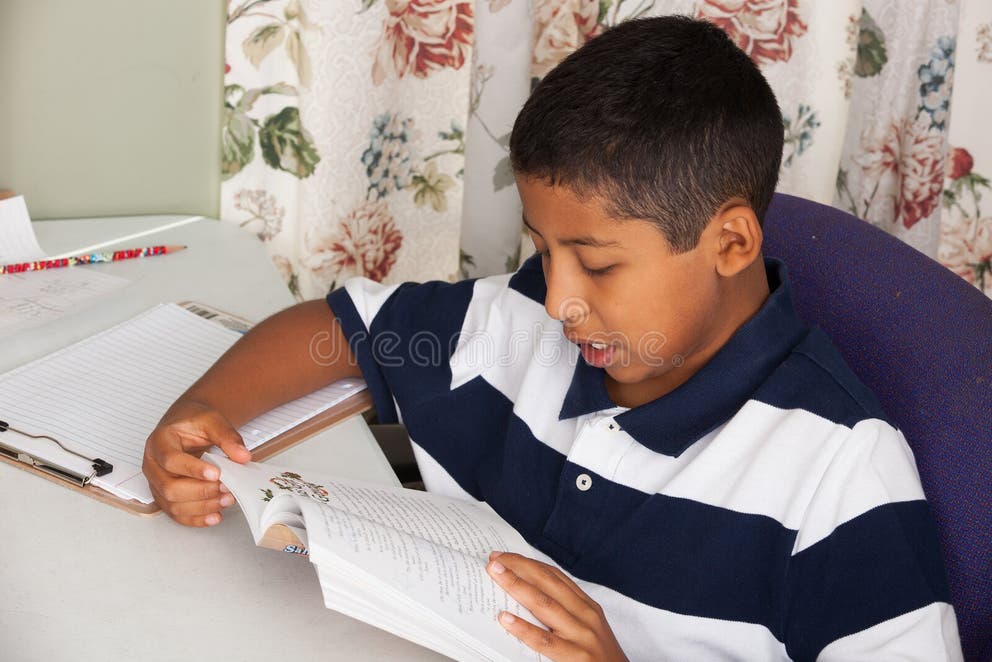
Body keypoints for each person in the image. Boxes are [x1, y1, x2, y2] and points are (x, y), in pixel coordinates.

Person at [143, 16, 961, 662]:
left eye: (598, 265)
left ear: (733, 243)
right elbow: (340, 333)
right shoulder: (518, 324)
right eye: (544, 248)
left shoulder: (840, 472)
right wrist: (203, 410)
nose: (560, 300)